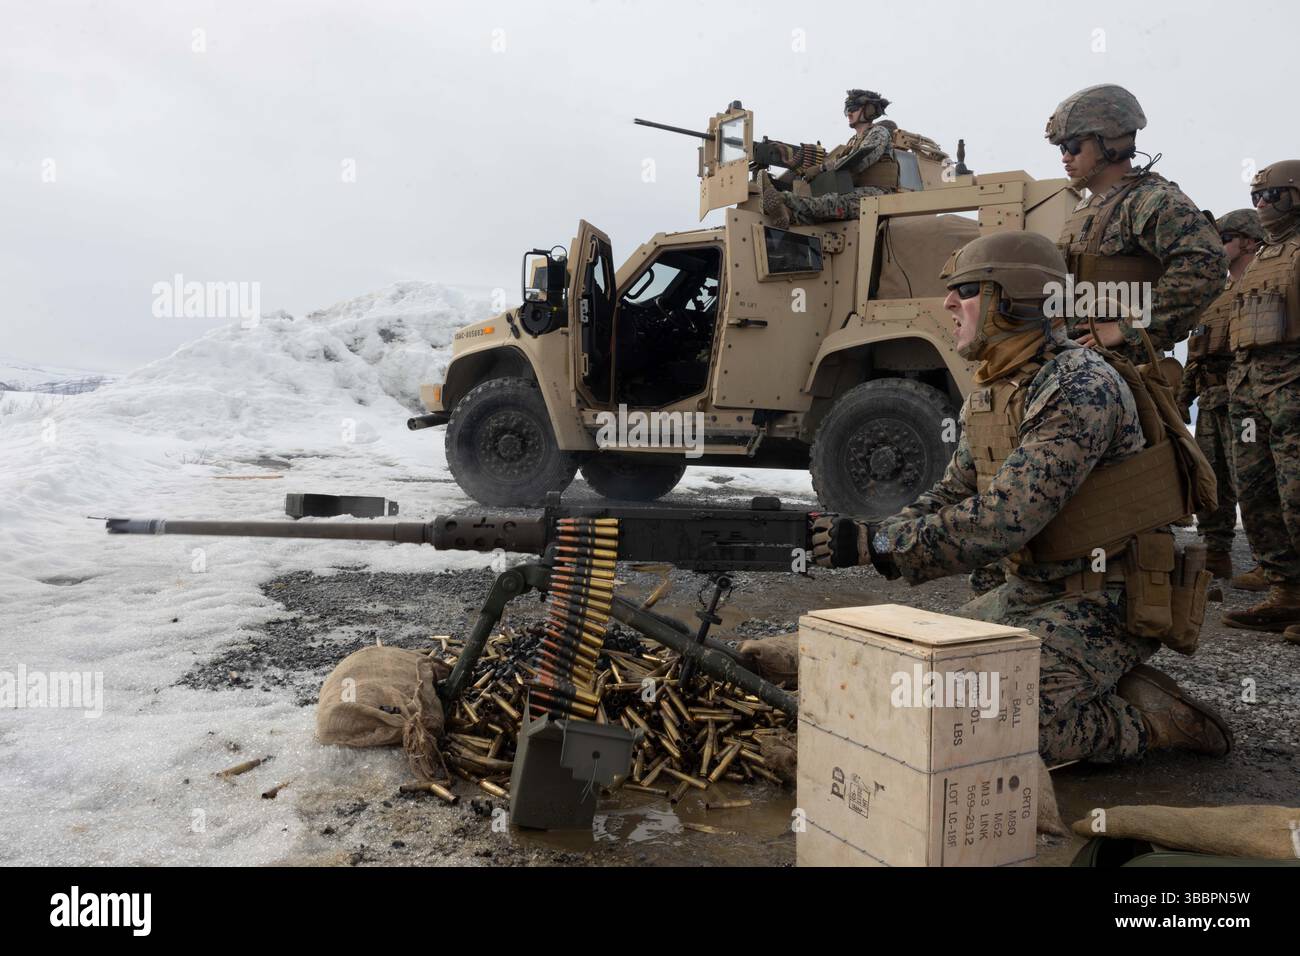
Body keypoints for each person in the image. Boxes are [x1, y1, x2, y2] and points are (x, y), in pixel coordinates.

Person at [809, 230, 1231, 764]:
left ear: (1010, 297)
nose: (947, 304)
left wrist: (884, 544)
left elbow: (1006, 519)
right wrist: (867, 530)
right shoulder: (996, 387)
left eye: (963, 290)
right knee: (907, 691)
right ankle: (1087, 684)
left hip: (1103, 599)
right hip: (1031, 590)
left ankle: (1150, 722)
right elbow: (953, 491)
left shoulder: (1079, 385)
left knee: (987, 726)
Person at [1045, 84, 1226, 363]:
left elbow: (1206, 267)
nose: (1065, 157)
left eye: (1073, 146)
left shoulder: (1151, 200)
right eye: (1061, 148)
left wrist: (1129, 328)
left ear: (1111, 142)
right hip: (1076, 363)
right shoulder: (1086, 208)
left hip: (1125, 371)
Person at [1221, 161, 1300, 642]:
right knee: (1256, 492)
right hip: (1249, 387)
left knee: (1295, 496)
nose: (1262, 205)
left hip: (1292, 384)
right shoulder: (1265, 257)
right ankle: (1287, 592)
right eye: (1257, 197)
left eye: (1272, 195)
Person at [1178, 210, 1266, 582]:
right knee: (1211, 480)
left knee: (1256, 481)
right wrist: (1182, 397)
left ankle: (1272, 564)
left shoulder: (1265, 286)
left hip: (1251, 401)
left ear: (1248, 240)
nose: (1218, 245)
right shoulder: (1216, 297)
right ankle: (1217, 552)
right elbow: (1196, 355)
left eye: (1226, 237)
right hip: (1212, 401)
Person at [760, 89, 897, 227]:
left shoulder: (879, 132)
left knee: (833, 202)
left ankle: (782, 198)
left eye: (853, 109)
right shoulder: (853, 141)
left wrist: (821, 168)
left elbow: (860, 161)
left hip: (878, 193)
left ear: (869, 110)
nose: (848, 113)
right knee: (822, 214)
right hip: (856, 191)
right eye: (847, 109)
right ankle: (787, 214)